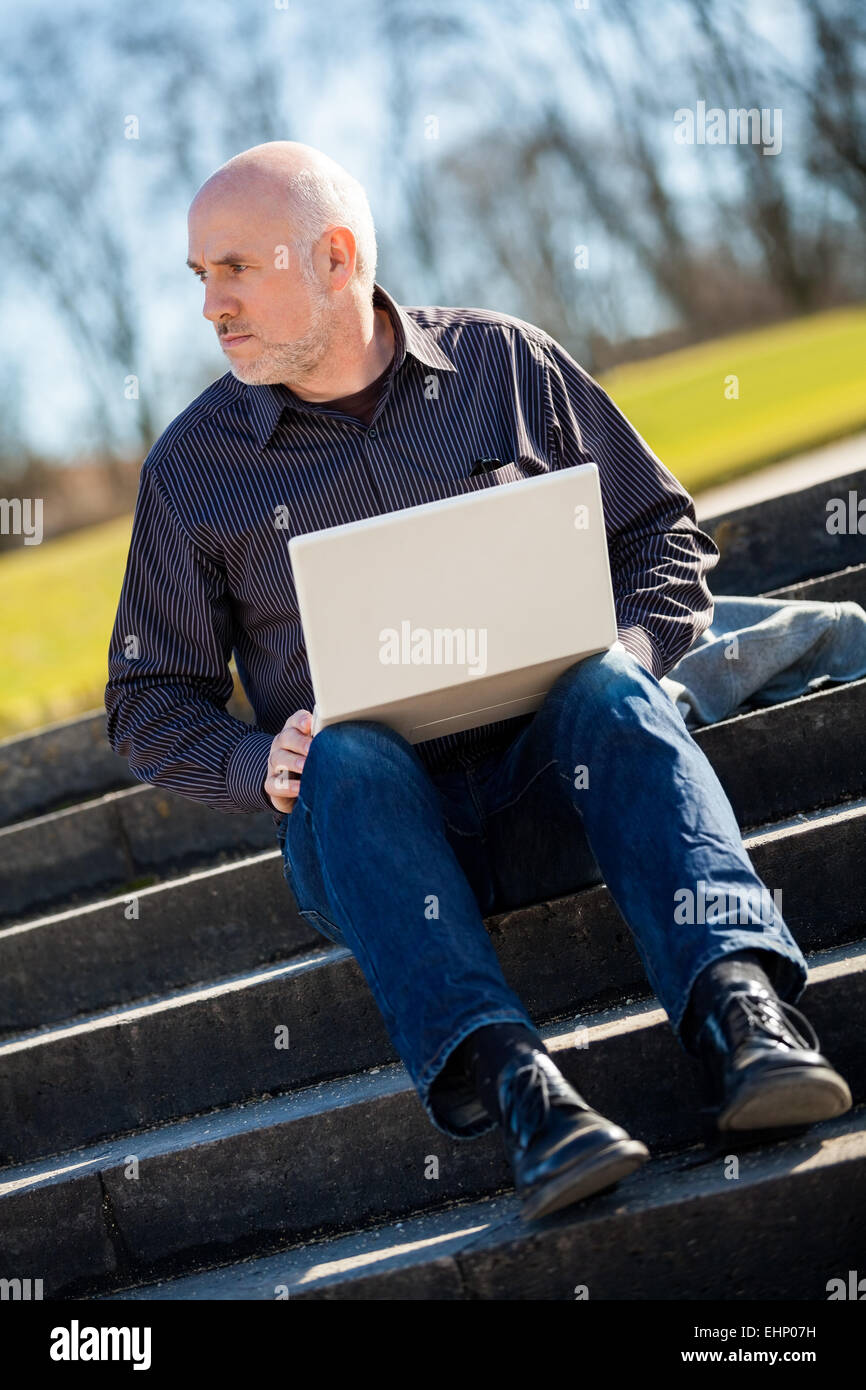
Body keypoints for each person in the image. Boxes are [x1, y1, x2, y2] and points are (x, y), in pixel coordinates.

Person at [105, 141, 852, 1223]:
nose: (211, 305)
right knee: (351, 755)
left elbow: (656, 536)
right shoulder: (192, 469)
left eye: (234, 268)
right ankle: (528, 1096)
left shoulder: (507, 366)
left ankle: (743, 1015)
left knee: (605, 682)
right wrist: (247, 758)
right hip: (378, 835)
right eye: (197, 277)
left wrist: (631, 660)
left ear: (334, 255)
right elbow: (145, 699)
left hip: (562, 787)